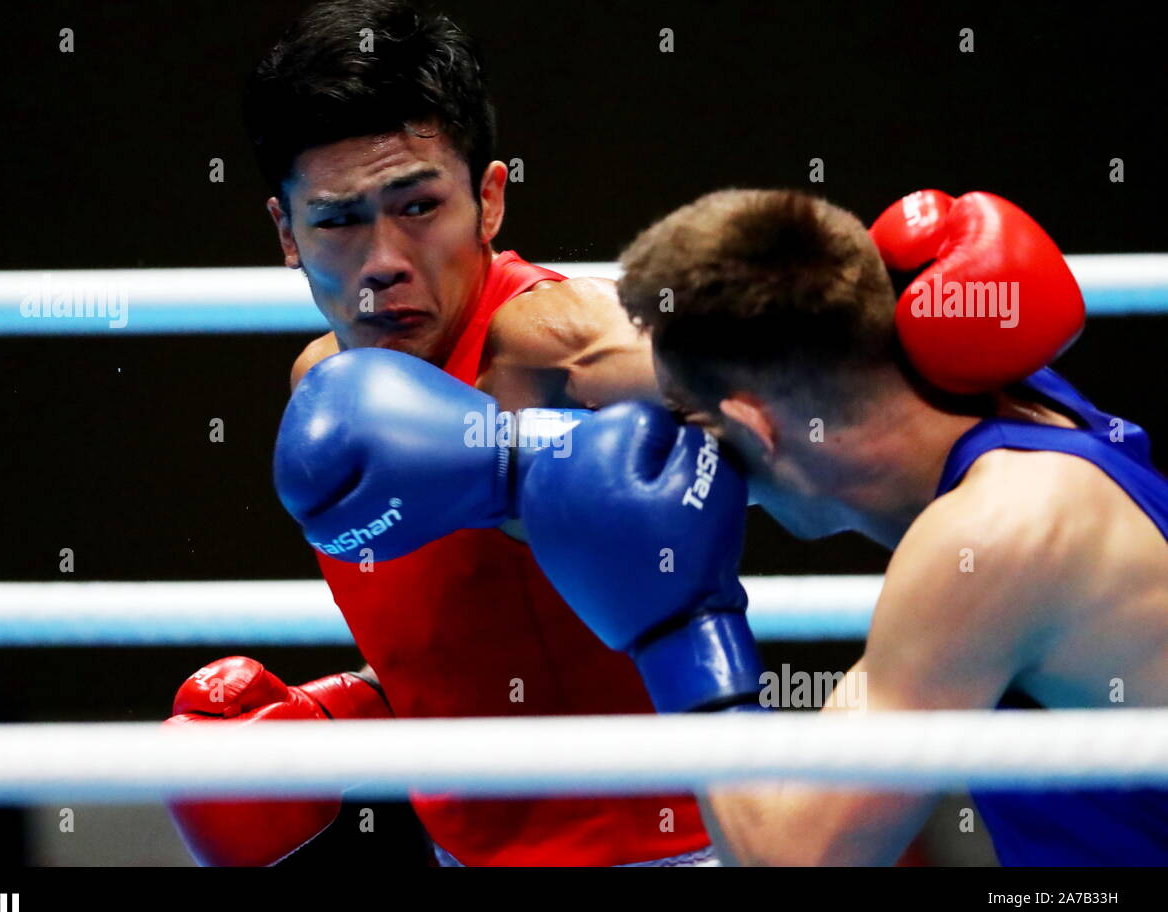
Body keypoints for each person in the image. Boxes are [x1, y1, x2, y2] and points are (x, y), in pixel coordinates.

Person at [167, 0, 714, 867]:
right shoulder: (322, 386)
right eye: (339, 220)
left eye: (418, 206)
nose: (383, 258)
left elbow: (787, 394)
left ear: (488, 200)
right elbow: (476, 645)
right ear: (286, 233)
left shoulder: (561, 341)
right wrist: (345, 715)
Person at [515, 187, 1168, 865]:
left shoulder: (989, 540)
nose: (694, 455)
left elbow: (791, 861)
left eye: (696, 425)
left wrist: (680, 629)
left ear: (752, 427)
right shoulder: (1021, 399)